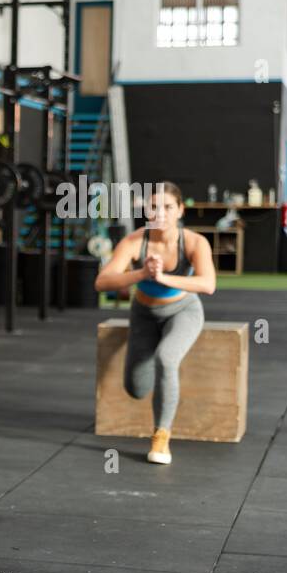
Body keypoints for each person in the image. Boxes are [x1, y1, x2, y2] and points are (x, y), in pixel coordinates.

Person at [94, 181, 216, 464]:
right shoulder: (136, 241)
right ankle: (157, 394)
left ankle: (161, 436)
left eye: (167, 207)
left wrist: (162, 278)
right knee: (136, 389)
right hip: (144, 314)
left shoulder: (195, 242)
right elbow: (102, 281)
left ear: (180, 209)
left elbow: (208, 284)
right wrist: (141, 275)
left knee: (167, 358)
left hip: (183, 311)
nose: (160, 212)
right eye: (153, 207)